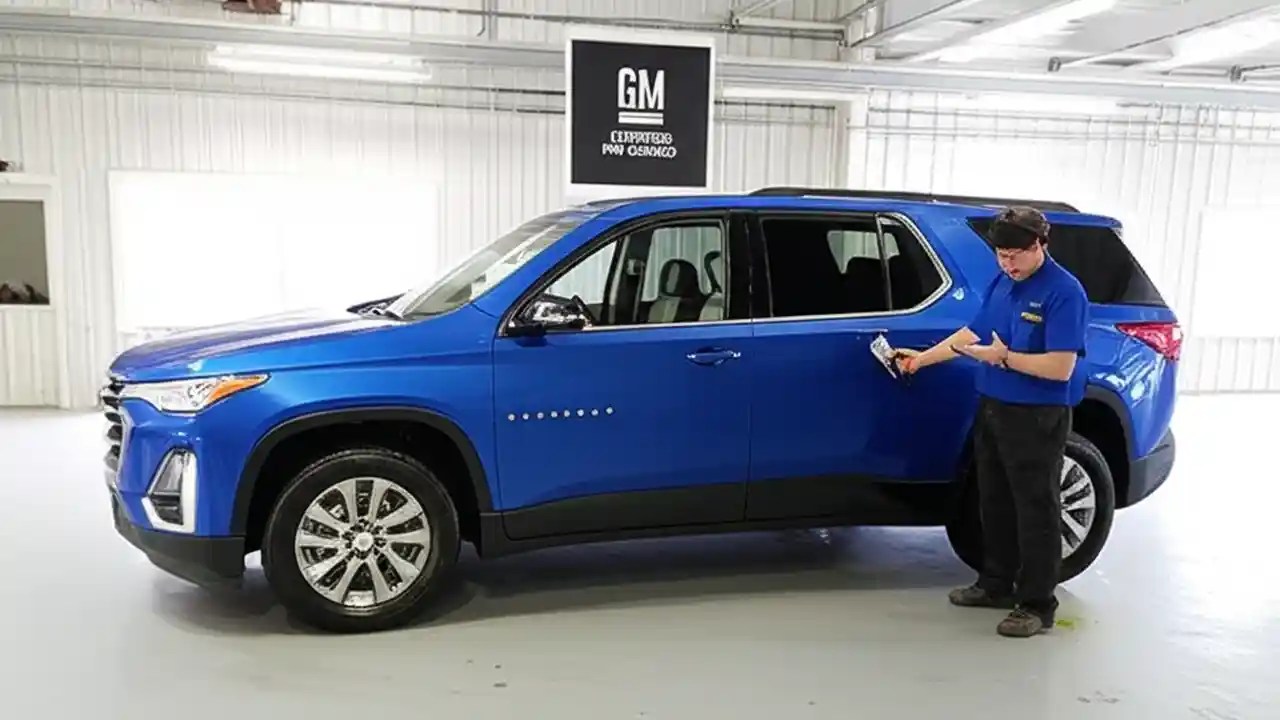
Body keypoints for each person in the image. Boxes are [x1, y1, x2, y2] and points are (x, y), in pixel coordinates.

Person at [891, 205, 1088, 638]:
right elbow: (972, 334)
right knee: (994, 501)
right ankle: (996, 583)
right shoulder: (1003, 282)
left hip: (1036, 416)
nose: (1008, 264)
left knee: (1035, 509)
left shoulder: (1064, 292)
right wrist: (922, 359)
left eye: (1016, 256)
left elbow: (1060, 367)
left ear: (1040, 244)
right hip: (994, 406)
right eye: (1001, 255)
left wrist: (1004, 359)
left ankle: (1037, 604)